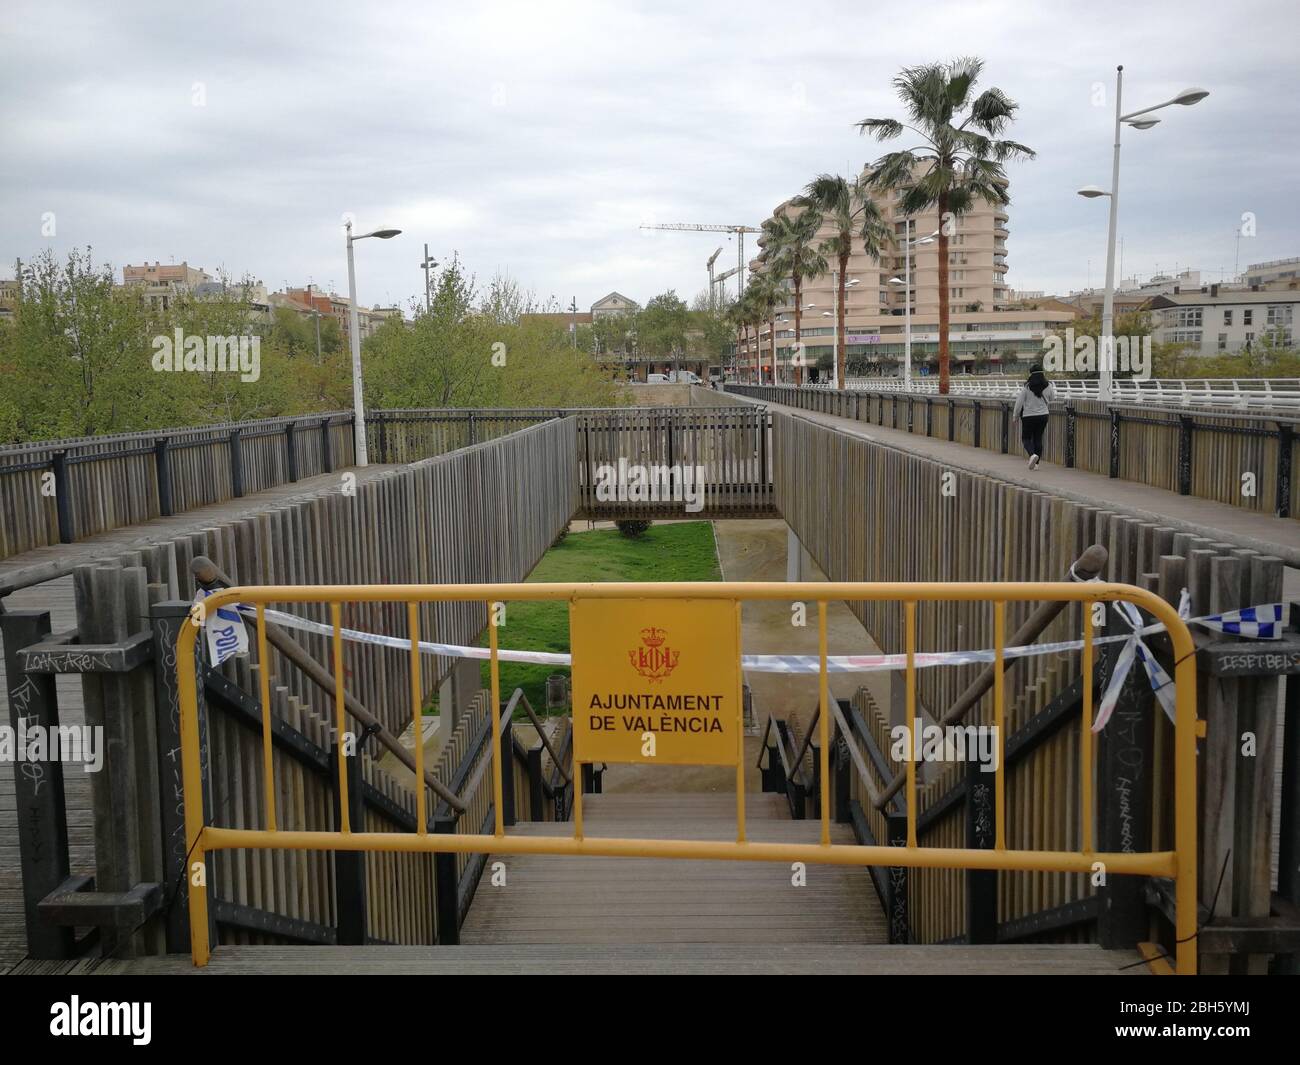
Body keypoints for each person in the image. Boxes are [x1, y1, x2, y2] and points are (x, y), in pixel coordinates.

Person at [1012, 364, 1056, 470]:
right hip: (1043, 415)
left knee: (1026, 438)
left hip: (1029, 416)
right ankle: (1036, 464)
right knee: (1038, 438)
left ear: (1031, 374)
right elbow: (1053, 398)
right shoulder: (1048, 385)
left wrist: (1015, 416)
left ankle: (1032, 455)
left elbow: (1019, 402)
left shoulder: (1027, 387)